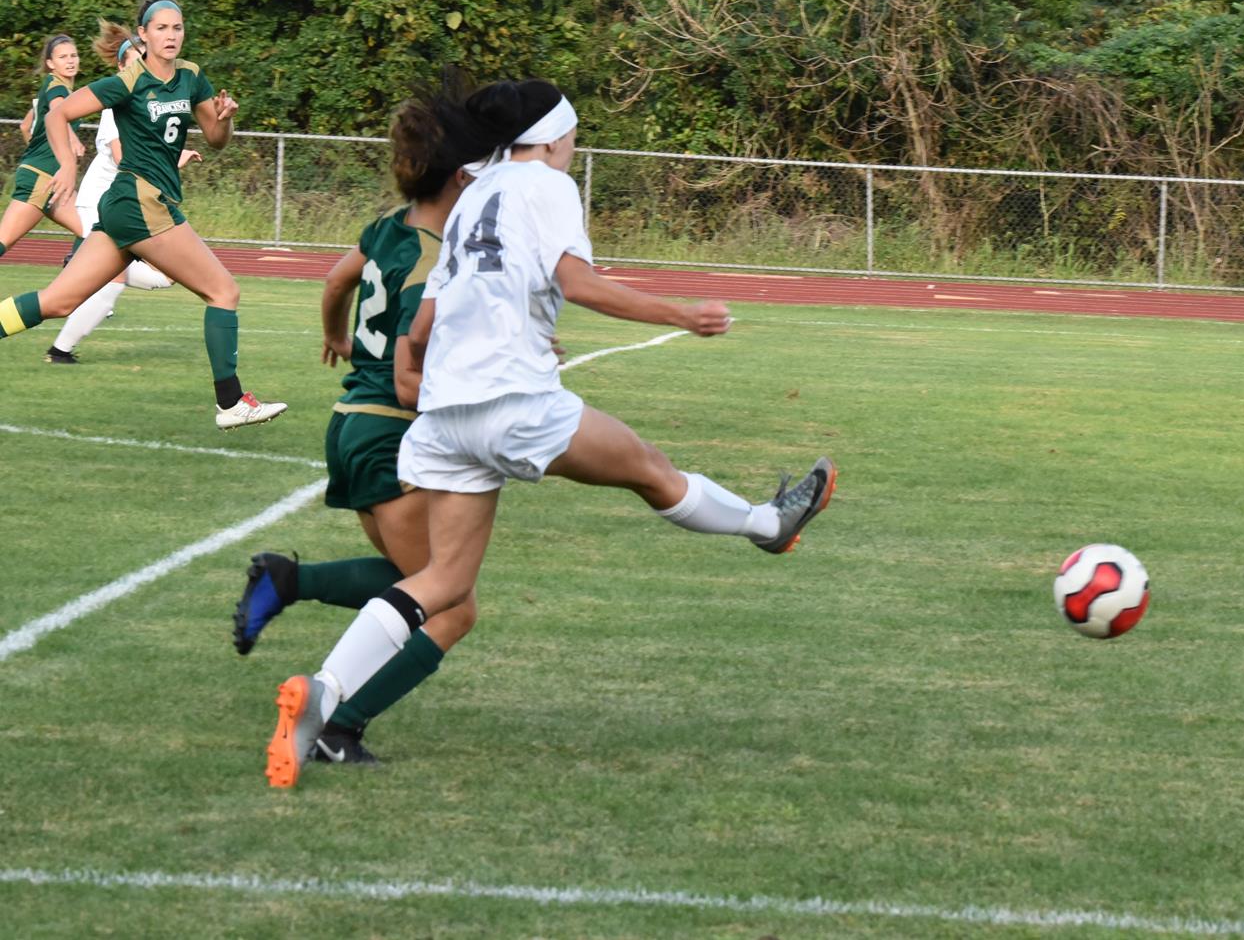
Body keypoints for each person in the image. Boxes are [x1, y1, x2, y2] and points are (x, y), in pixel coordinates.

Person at [263, 79, 835, 788]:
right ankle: (767, 523)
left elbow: (418, 328)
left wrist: (442, 363)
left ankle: (325, 690)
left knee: (441, 581)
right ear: (556, 137)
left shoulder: (471, 194)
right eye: (573, 135)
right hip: (516, 405)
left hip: (443, 419)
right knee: (650, 469)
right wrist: (679, 314)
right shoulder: (545, 185)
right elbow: (581, 282)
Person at [231, 87, 483, 766]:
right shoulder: (435, 260)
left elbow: (338, 281)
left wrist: (336, 337)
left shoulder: (388, 228)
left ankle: (287, 579)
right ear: (461, 177)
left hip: (350, 422)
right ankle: (340, 725)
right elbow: (412, 369)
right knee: (452, 603)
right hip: (390, 433)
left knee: (413, 581)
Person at [0, 0, 287, 429]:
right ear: (144, 34)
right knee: (223, 292)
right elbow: (60, 114)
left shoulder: (191, 76)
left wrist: (225, 119)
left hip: (128, 206)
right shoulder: (129, 80)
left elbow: (216, 138)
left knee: (57, 302)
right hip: (141, 204)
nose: (171, 36)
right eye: (162, 28)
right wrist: (64, 164)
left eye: (178, 27)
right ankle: (231, 403)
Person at [43, 36, 187, 365]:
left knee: (167, 276)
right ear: (121, 67)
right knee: (114, 281)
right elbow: (127, 161)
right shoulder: (116, 108)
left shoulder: (146, 105)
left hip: (127, 202)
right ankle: (60, 350)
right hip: (102, 202)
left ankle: (81, 268)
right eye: (135, 61)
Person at [0, 34, 89, 260]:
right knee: (3, 241)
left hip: (51, 178)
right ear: (50, 64)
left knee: (89, 229)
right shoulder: (55, 85)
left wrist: (45, 153)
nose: (70, 61)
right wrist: (71, 139)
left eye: (73, 55)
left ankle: (69, 287)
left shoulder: (61, 91)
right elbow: (58, 112)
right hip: (40, 178)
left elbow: (24, 126)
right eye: (62, 57)